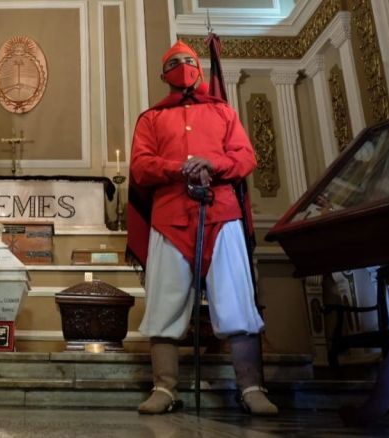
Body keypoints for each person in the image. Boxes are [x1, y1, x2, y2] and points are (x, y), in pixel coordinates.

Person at [128, 40, 277, 416]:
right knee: (165, 301)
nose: (182, 66)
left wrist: (213, 163)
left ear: (198, 66)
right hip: (170, 217)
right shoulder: (150, 119)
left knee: (236, 300)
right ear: (164, 75)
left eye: (188, 60)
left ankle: (251, 387)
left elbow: (246, 157)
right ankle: (165, 387)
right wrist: (178, 167)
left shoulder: (224, 113)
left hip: (222, 214)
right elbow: (141, 166)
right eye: (174, 62)